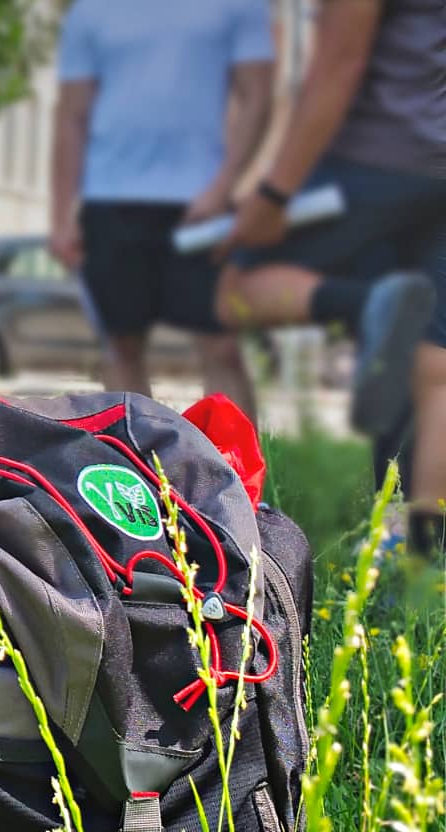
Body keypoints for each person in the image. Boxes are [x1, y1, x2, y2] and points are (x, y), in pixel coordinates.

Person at [216, 0, 446, 561]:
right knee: (433, 364)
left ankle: (366, 304)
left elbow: (338, 65)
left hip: (373, 161)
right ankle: (420, 553)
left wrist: (274, 193)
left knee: (230, 292)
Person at [50, 0, 274, 423]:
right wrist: (62, 217)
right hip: (110, 200)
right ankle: (139, 461)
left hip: (203, 204)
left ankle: (239, 465)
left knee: (221, 346)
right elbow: (71, 116)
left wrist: (222, 186)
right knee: (121, 347)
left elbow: (258, 97)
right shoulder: (90, 12)